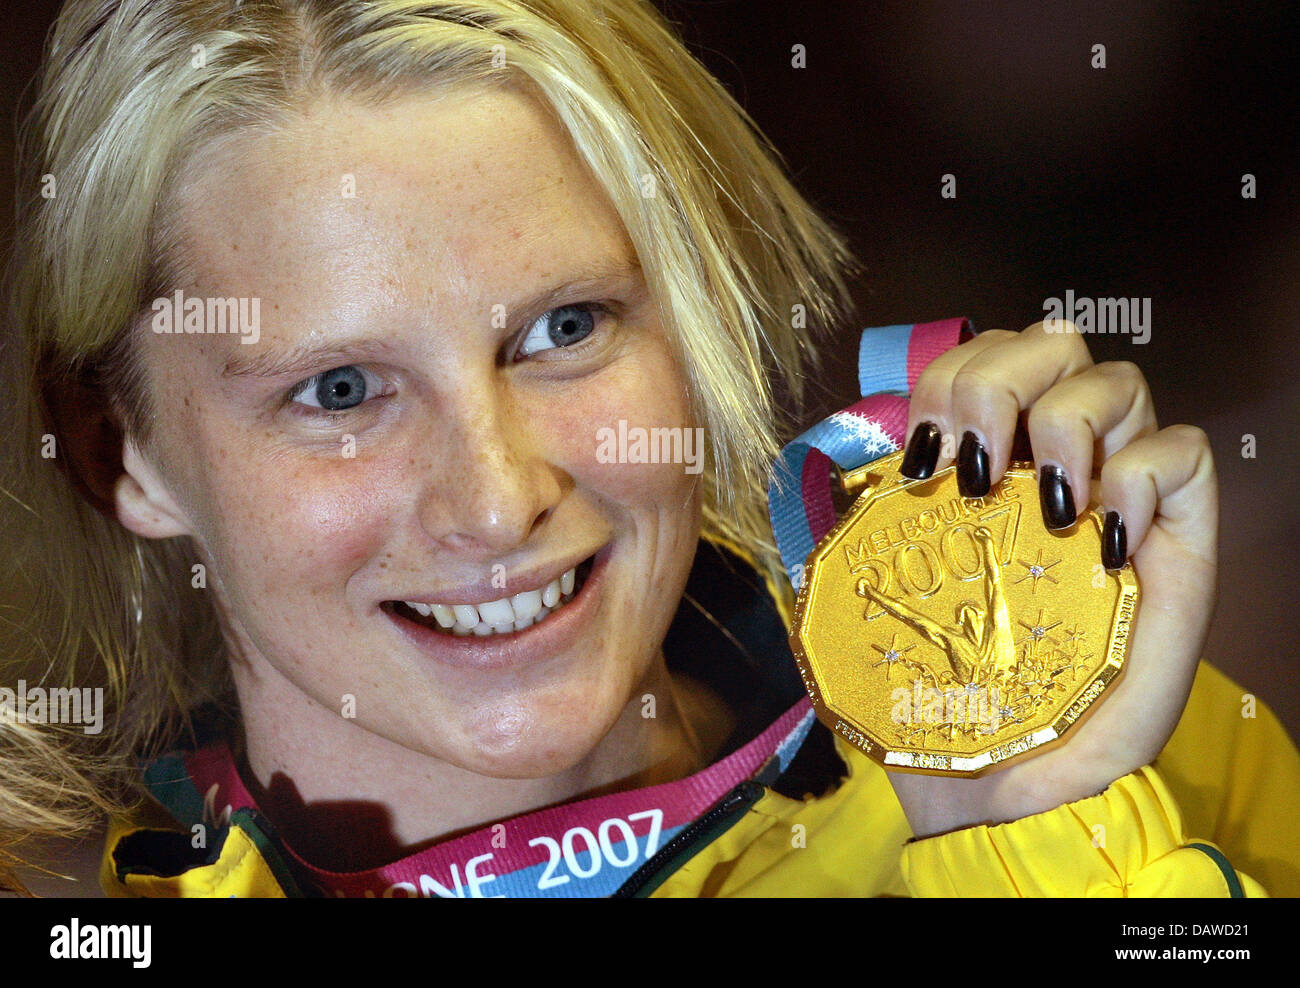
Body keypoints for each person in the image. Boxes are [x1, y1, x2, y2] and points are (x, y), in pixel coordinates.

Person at [2, 0, 1297, 898]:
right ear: (123, 453)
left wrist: (1025, 839)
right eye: (340, 388)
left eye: (566, 328)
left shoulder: (1141, 777)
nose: (501, 498)